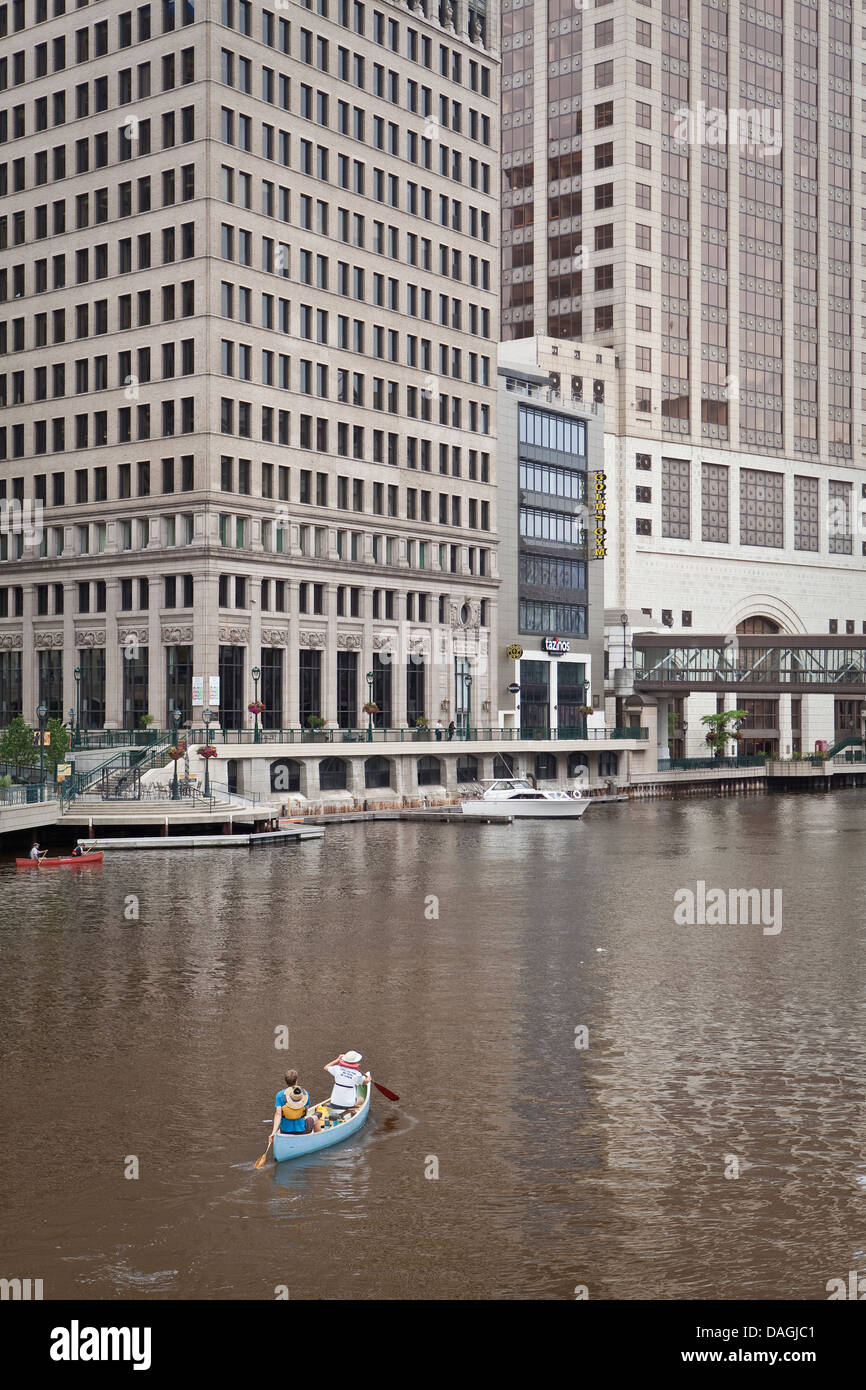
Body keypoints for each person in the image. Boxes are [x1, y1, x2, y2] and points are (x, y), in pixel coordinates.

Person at [270, 1068, 321, 1141]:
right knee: (315, 1118)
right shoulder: (304, 1093)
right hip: (301, 1130)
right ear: (297, 1080)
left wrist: (273, 1132)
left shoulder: (280, 1095)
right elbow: (305, 1112)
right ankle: (317, 1141)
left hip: (285, 1131)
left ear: (286, 1081)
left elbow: (278, 1114)